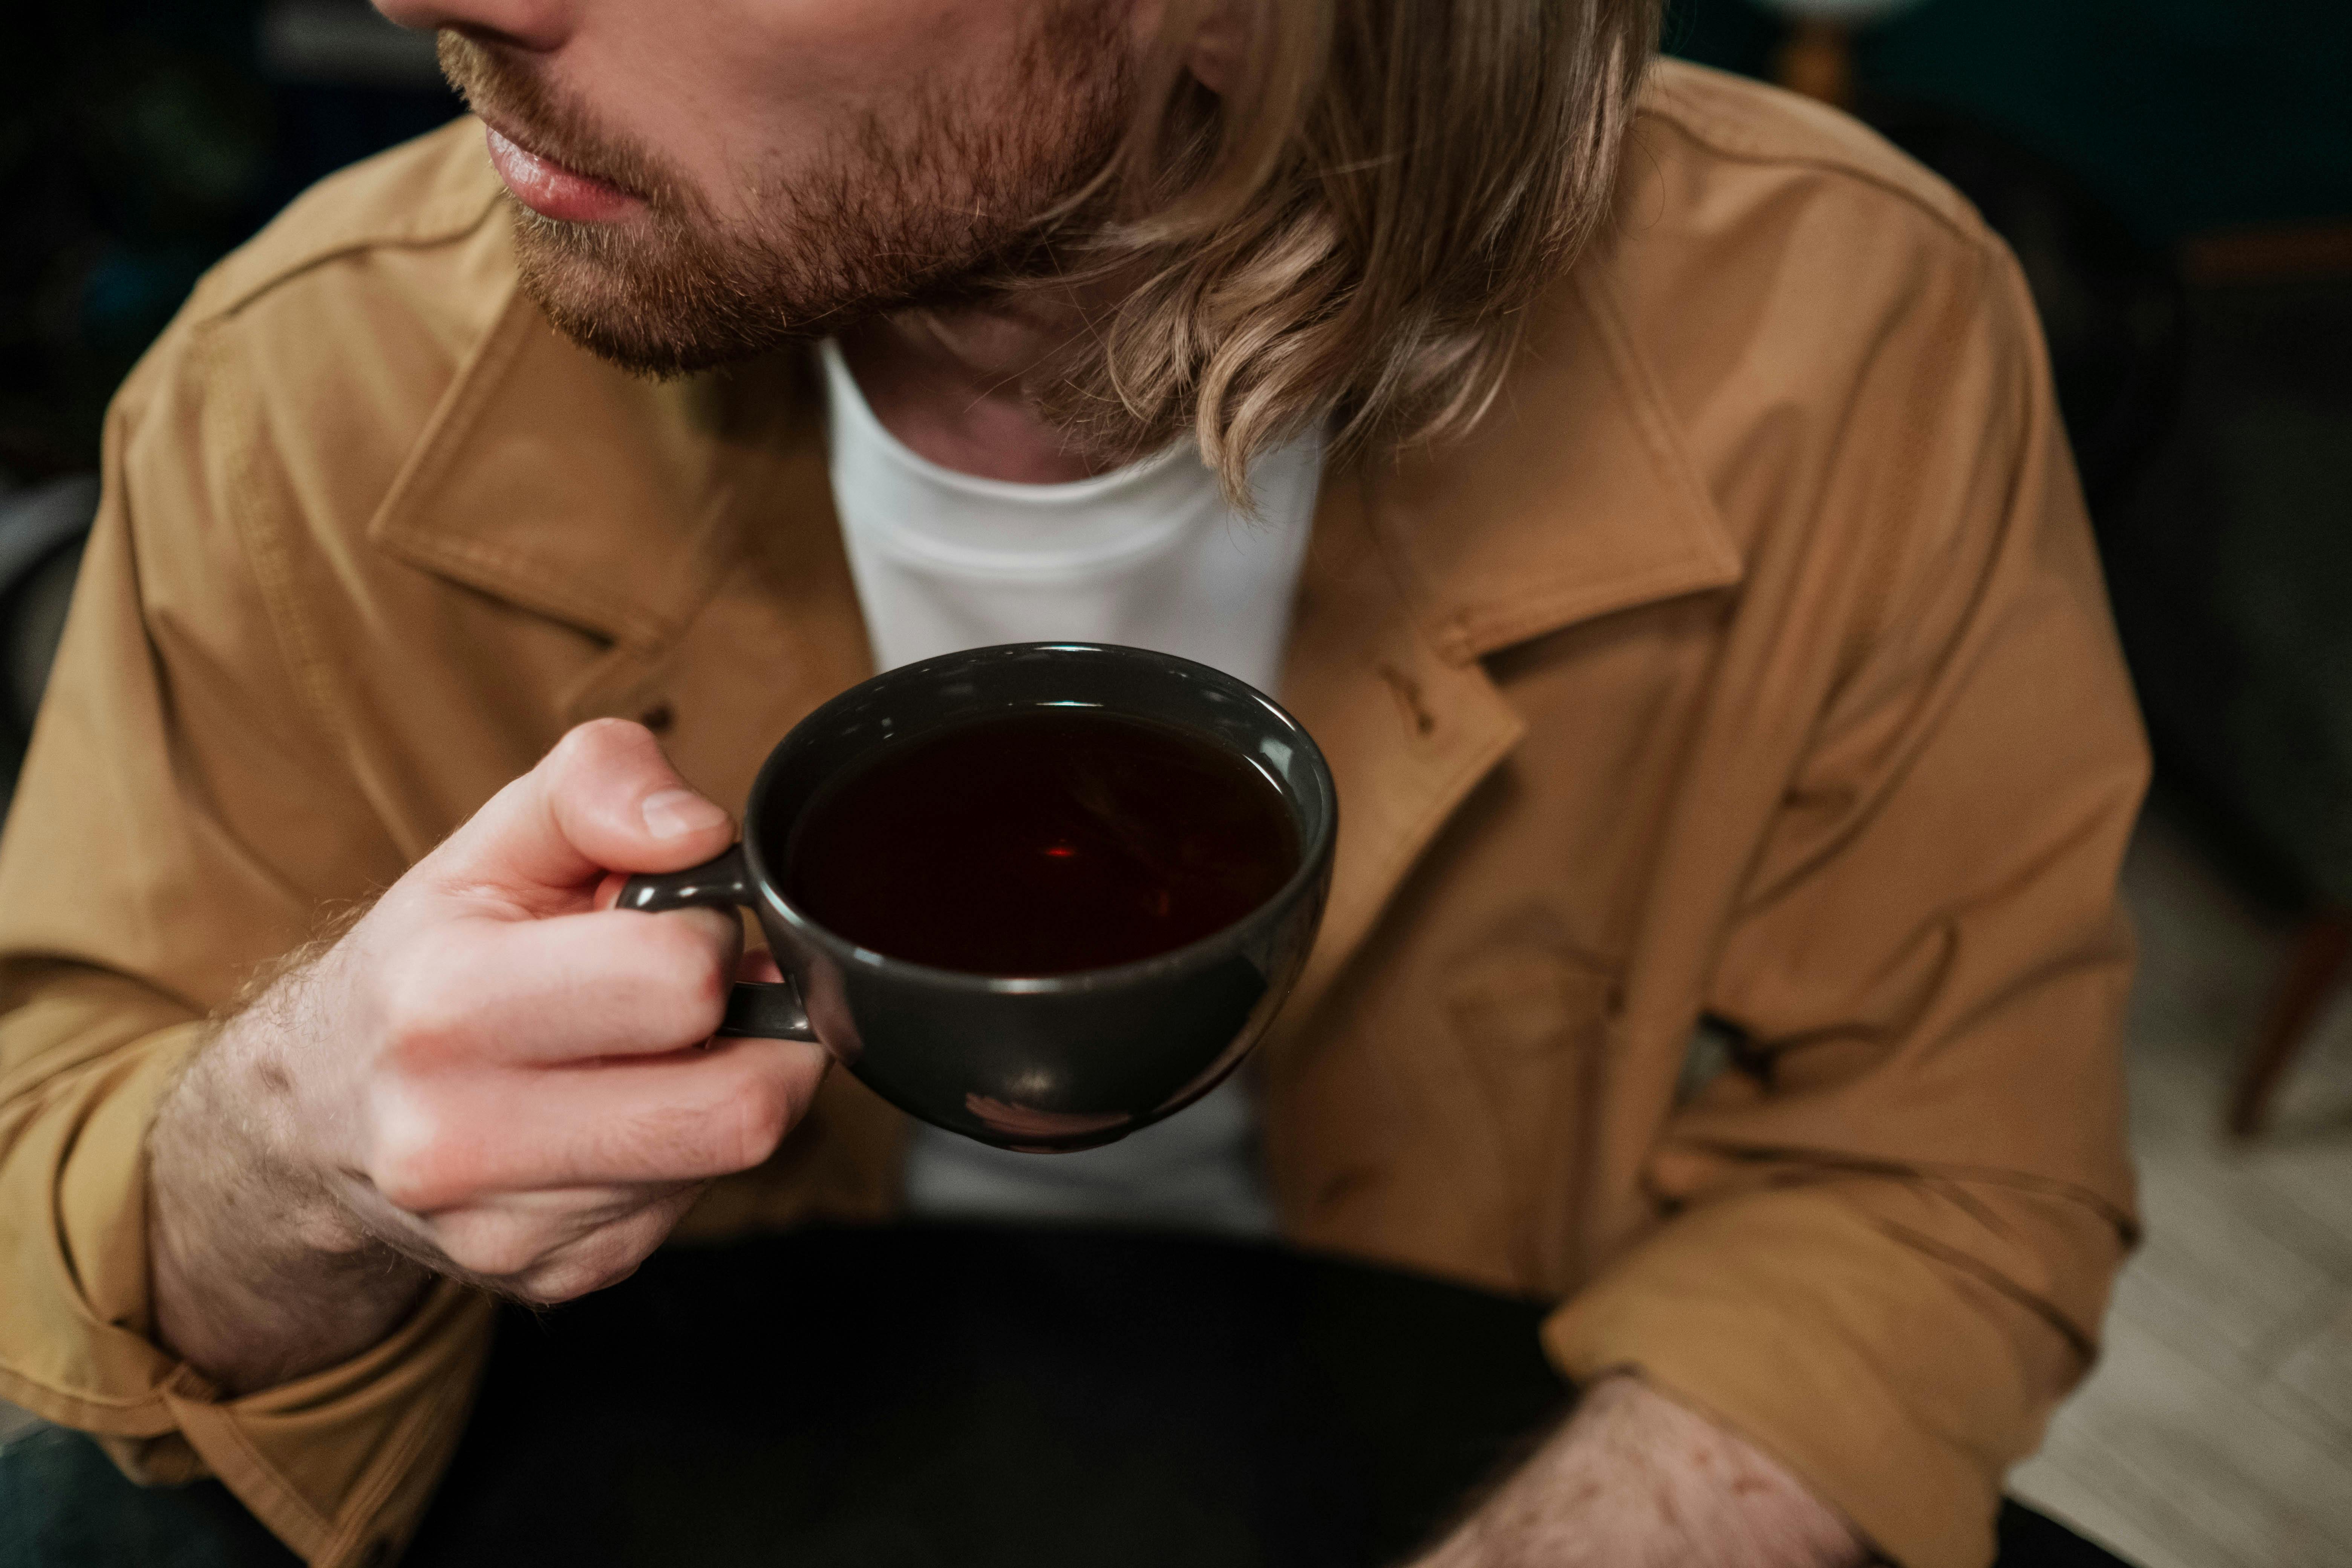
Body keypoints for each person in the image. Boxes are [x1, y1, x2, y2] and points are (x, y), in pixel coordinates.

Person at [0, 3, 2146, 1566]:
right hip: (635, 1430)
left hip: (1468, 1416)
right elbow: (61, 1210)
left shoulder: (1847, 331)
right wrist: (296, 1137)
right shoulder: (296, 388)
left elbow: (1946, 1167)